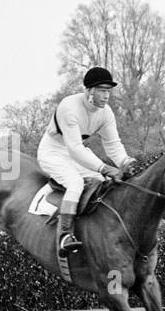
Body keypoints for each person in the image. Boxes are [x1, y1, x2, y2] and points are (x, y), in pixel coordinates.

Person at [37, 66, 138, 258]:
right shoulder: (69, 107)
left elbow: (113, 145)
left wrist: (126, 162)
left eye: (108, 91)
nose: (106, 96)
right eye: (101, 90)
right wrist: (106, 168)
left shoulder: (106, 113)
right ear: (88, 90)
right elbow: (75, 149)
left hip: (76, 154)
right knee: (75, 184)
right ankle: (64, 235)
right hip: (53, 153)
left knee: (101, 183)